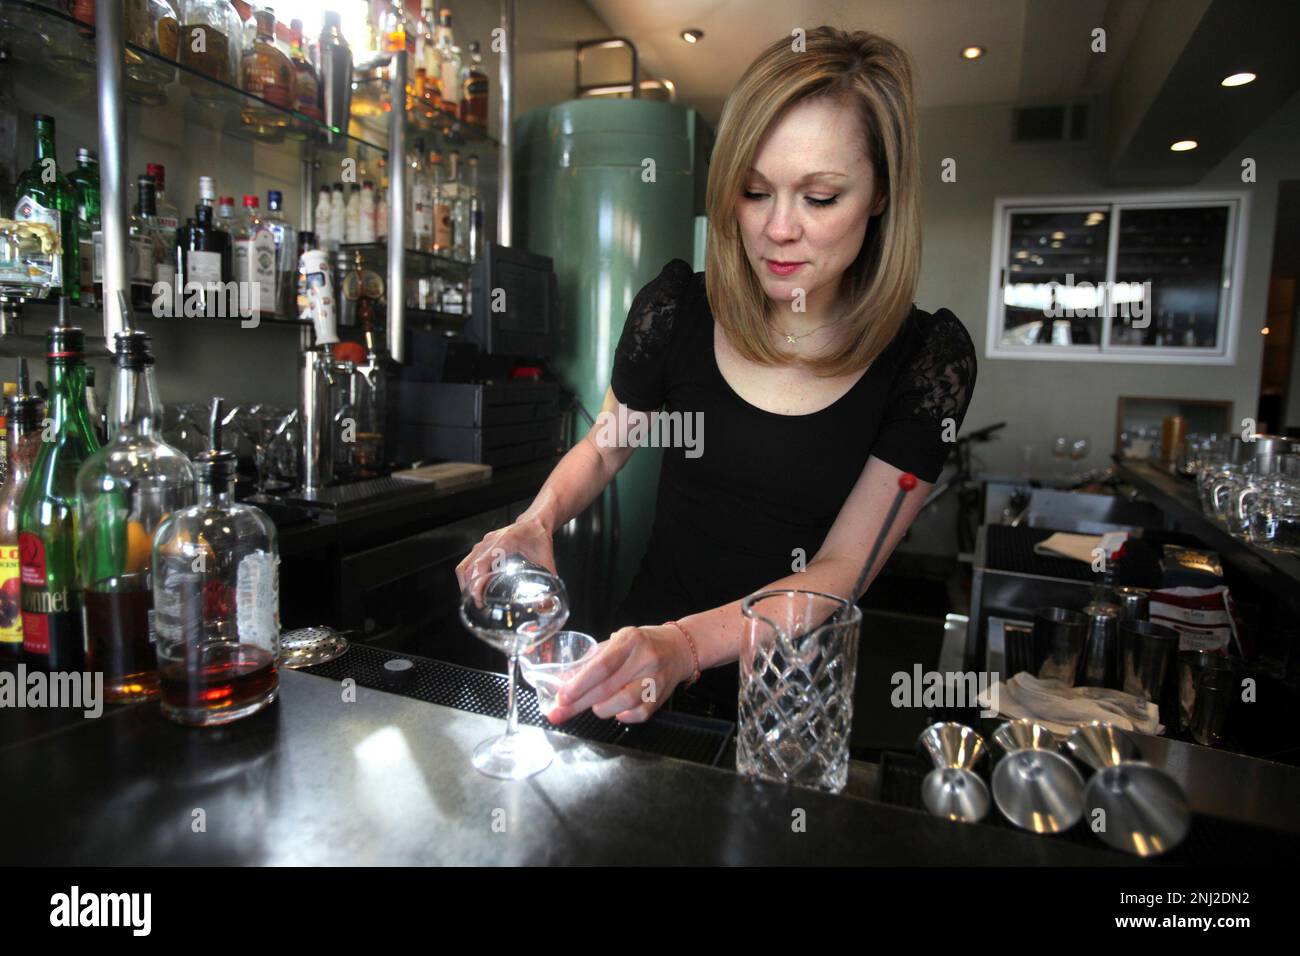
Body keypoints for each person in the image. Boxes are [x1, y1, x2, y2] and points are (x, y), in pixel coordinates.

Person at [455, 26, 976, 724]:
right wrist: (536, 519)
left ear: (881, 196)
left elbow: (841, 569)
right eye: (754, 191)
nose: (777, 229)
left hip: (787, 706)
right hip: (634, 672)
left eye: (820, 198)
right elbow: (607, 446)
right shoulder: (676, 310)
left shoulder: (925, 360)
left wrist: (684, 646)